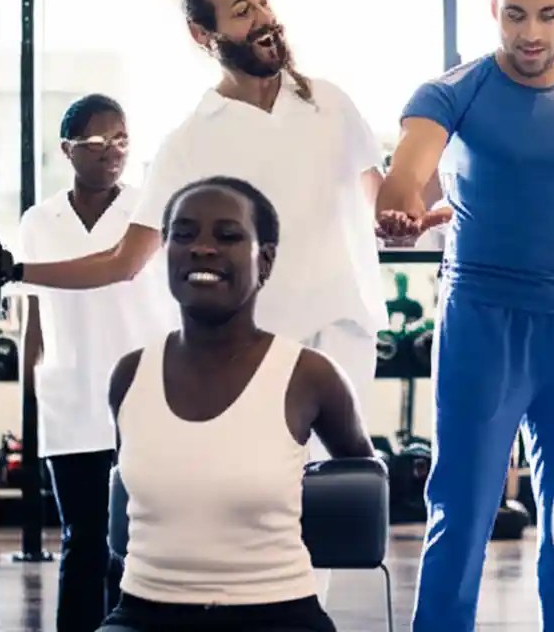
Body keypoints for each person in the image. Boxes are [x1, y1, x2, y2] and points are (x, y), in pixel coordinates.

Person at [0, 0, 386, 452]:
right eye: (243, 10)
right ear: (204, 35)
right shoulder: (190, 140)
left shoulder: (330, 102)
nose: (263, 17)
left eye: (263, 0)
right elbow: (125, 260)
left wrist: (407, 210)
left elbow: (382, 203)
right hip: (261, 355)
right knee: (273, 510)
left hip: (346, 335)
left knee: (347, 500)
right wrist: (18, 270)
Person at [375, 0, 554, 632]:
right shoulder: (450, 92)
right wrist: (401, 205)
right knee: (461, 507)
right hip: (480, 317)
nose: (530, 33)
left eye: (547, 15)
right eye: (515, 15)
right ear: (494, 10)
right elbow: (408, 173)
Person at [97, 176, 374, 632]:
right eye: (183, 234)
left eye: (227, 236)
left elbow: (362, 483)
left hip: (278, 615)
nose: (203, 248)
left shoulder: (310, 377)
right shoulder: (129, 376)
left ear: (263, 260)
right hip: (144, 613)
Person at [16, 94, 176, 632]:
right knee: (82, 538)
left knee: (136, 541)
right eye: (97, 141)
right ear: (67, 149)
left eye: (122, 141)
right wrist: (31, 386)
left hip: (143, 397)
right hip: (73, 400)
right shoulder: (39, 221)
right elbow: (33, 316)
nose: (112, 151)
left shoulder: (149, 210)